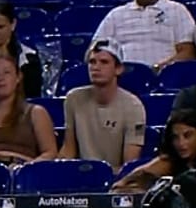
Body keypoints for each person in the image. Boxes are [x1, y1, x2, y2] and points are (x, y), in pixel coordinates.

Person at [112, 108, 196, 191]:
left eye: (187, 135)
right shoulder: (171, 159)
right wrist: (132, 188)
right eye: (175, 137)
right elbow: (128, 181)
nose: (181, 143)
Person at [57, 39, 147, 169]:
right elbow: (69, 148)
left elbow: (129, 163)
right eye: (92, 62)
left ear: (118, 69)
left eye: (104, 62)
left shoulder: (134, 107)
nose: (96, 67)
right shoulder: (73, 99)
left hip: (115, 178)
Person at [0, 54, 58, 164]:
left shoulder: (36, 113)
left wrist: (26, 167)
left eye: (7, 72)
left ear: (18, 77)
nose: (0, 78)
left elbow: (50, 153)